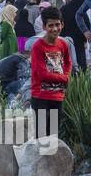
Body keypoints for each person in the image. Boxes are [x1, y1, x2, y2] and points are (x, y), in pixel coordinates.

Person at [29, 7, 72, 139]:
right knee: (41, 137)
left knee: (52, 136)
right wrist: (64, 79)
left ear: (62, 24)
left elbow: (68, 62)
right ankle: (39, 160)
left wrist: (67, 74)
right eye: (50, 25)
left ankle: (50, 159)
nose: (54, 29)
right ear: (44, 26)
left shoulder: (62, 44)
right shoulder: (38, 47)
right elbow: (42, 74)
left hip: (56, 96)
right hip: (41, 97)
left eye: (57, 25)